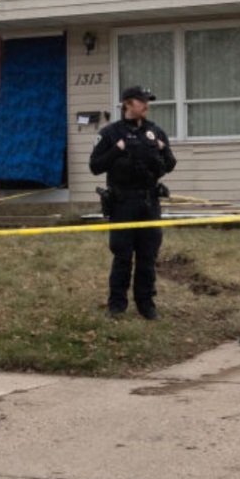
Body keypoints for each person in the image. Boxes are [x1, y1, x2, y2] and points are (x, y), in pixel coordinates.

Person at [89, 85, 177, 319]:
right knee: (123, 255)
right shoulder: (111, 133)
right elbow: (95, 166)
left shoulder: (155, 132)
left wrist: (163, 149)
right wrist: (116, 151)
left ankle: (146, 304)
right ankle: (117, 305)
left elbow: (170, 163)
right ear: (128, 104)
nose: (146, 105)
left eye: (148, 101)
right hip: (123, 202)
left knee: (148, 255)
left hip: (149, 200)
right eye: (142, 101)